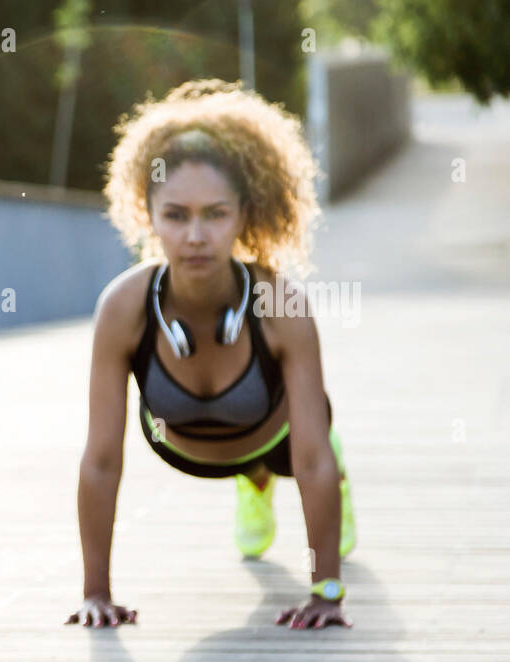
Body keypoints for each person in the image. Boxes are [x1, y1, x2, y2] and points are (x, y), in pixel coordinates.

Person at [67, 79, 356, 632]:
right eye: (176, 215)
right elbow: (101, 460)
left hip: (279, 444)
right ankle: (253, 484)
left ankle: (269, 479)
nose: (195, 235)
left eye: (215, 214)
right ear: (146, 211)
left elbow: (311, 458)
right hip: (183, 448)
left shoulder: (279, 302)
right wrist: (96, 592)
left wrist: (327, 591)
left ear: (244, 214)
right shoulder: (123, 307)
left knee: (316, 443)